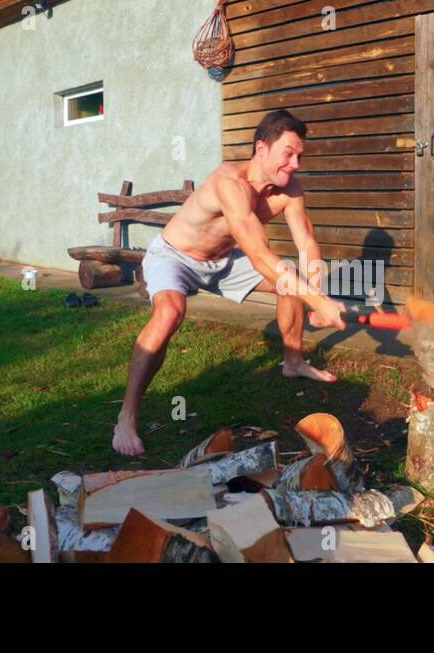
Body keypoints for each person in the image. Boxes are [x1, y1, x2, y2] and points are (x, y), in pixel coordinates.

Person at [112, 109, 346, 456]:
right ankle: (126, 415)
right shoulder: (230, 183)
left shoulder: (290, 191)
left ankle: (293, 362)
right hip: (175, 255)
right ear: (261, 148)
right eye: (288, 153)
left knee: (290, 281)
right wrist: (319, 303)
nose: (295, 164)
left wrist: (317, 293)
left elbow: (306, 244)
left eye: (300, 155)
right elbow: (259, 256)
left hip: (220, 260)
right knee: (170, 313)